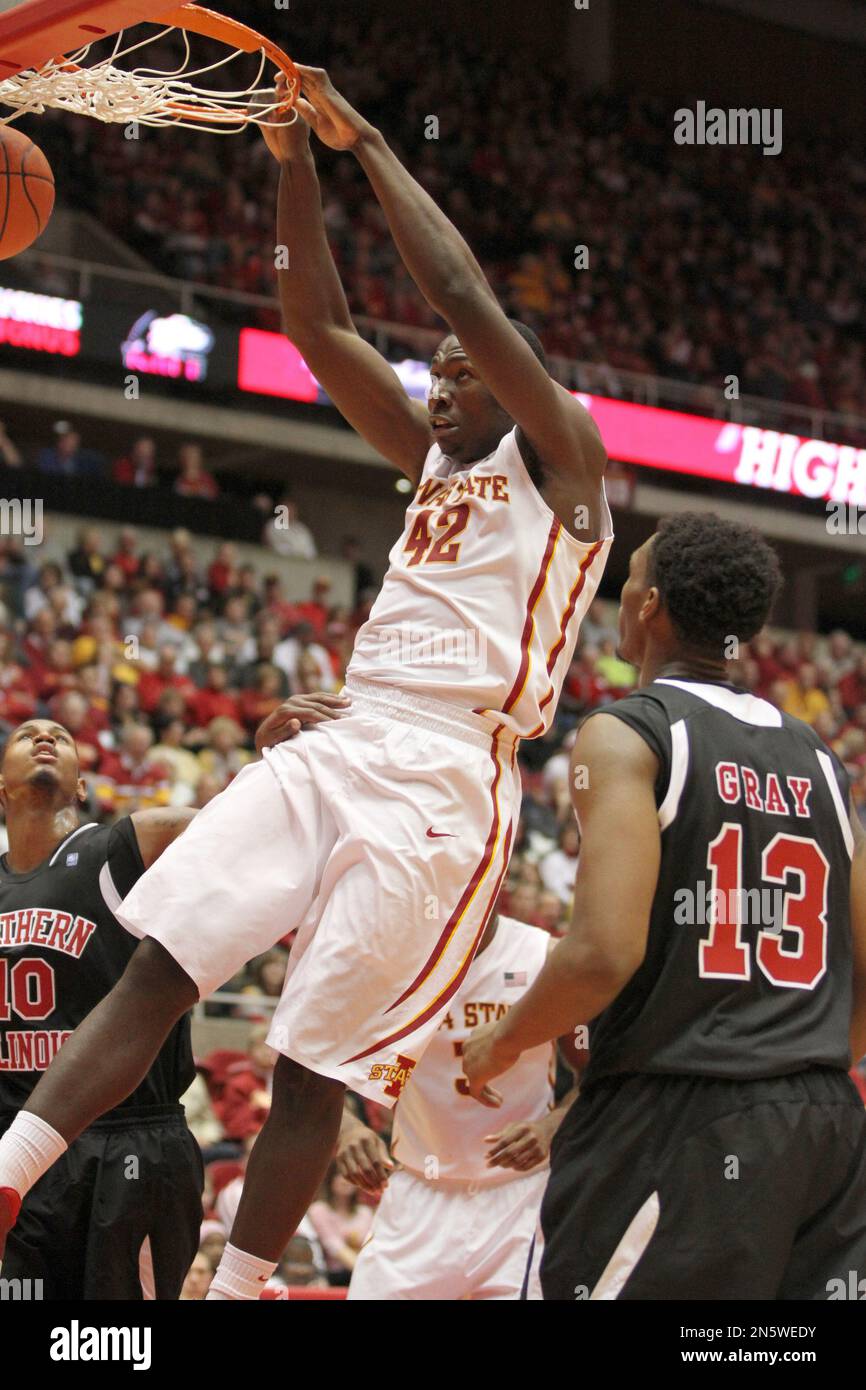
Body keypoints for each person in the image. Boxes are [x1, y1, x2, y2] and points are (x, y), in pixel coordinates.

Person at [0, 64, 610, 1301]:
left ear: (518, 386)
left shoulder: (565, 464)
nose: (438, 382)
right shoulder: (432, 461)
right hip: (349, 733)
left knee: (310, 1069)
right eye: (433, 372)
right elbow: (317, 330)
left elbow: (458, 291)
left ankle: (235, 1295)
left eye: (462, 372)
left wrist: (365, 142)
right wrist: (291, 170)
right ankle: (7, 1171)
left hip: (447, 780)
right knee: (161, 961)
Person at [463, 513, 866, 1300]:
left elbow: (603, 953)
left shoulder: (628, 732)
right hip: (821, 1122)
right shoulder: (820, 756)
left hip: (674, 1117)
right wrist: (802, 1059)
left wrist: (503, 1042)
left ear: (649, 605)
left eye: (632, 577)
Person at [0, 718, 203, 1299]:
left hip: (129, 1142)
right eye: (26, 735)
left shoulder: (117, 848)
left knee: (119, 1341)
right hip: (23, 1148)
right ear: (1, 786)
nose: (44, 738)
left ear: (82, 786)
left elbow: (240, 826)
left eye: (61, 737)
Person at [339, 908, 578, 1300]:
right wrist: (346, 1129)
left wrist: (551, 1128)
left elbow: (597, 1077)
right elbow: (313, 1067)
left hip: (521, 1197)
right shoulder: (391, 960)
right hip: (418, 1193)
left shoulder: (543, 956)